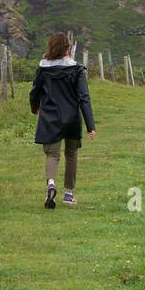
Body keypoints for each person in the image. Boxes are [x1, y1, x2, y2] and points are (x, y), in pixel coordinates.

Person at [29, 33, 96, 208]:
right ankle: (68, 194)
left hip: (50, 117)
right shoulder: (76, 69)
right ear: (67, 48)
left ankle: (51, 184)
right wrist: (90, 125)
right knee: (71, 154)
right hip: (71, 118)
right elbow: (84, 98)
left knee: (52, 154)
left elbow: (34, 92)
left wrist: (35, 108)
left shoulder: (43, 68)